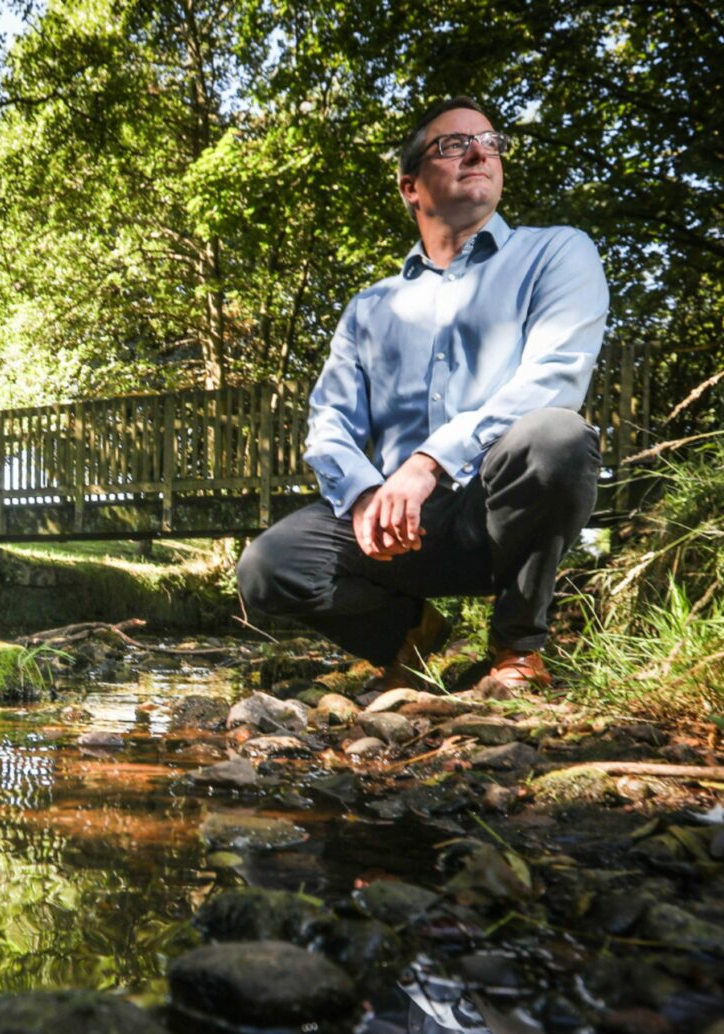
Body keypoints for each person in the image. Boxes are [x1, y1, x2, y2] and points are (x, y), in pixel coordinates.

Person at [236, 97, 608, 697]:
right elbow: (329, 419)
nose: (481, 151)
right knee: (268, 567)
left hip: (500, 508)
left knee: (556, 436)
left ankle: (517, 649)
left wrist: (428, 461)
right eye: (454, 144)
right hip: (397, 529)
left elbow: (556, 378)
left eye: (490, 141)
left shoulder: (557, 253)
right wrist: (361, 496)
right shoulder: (369, 308)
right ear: (411, 187)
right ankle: (413, 637)